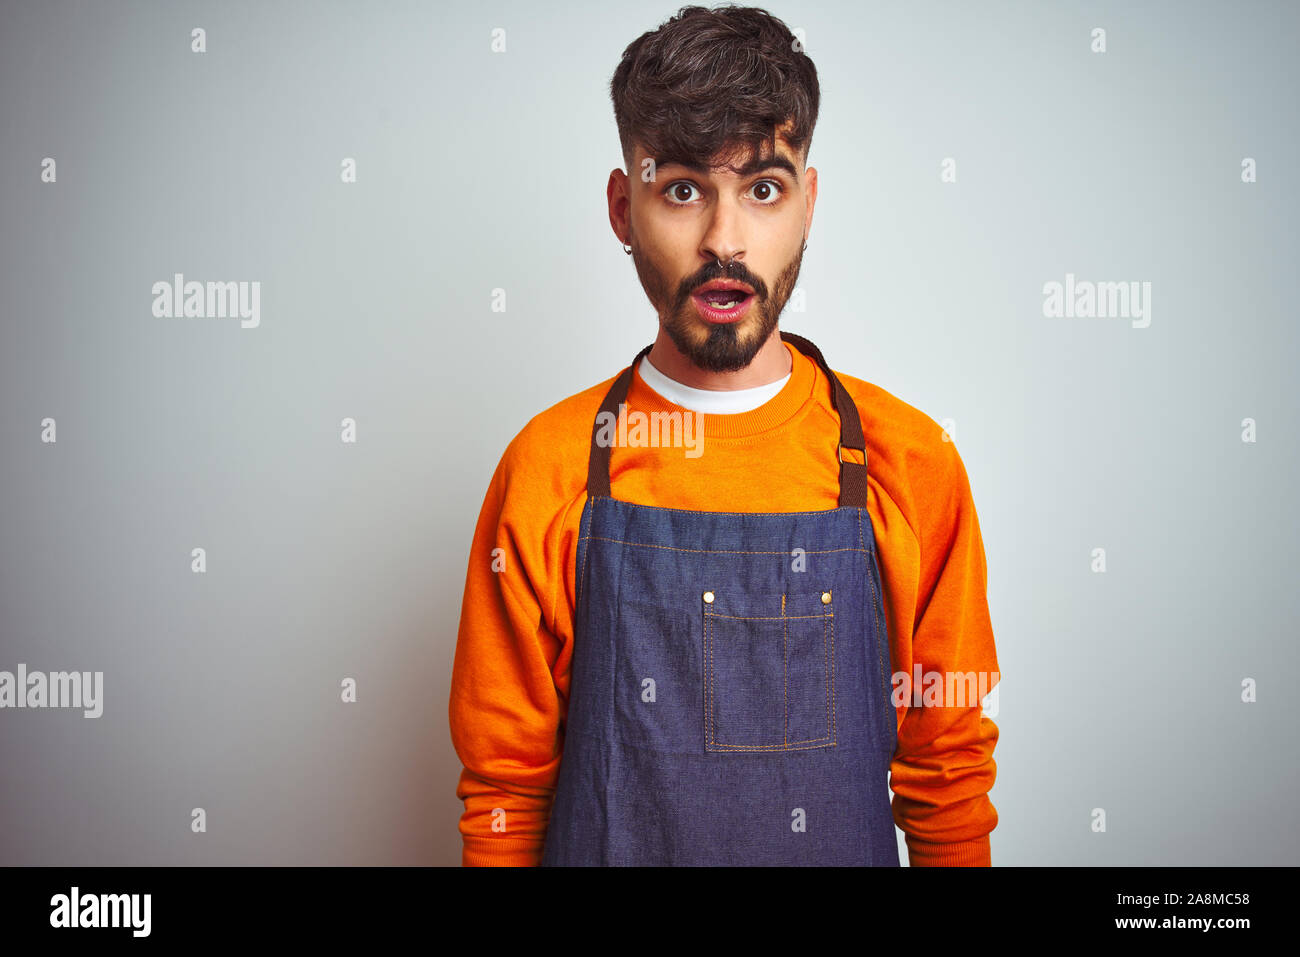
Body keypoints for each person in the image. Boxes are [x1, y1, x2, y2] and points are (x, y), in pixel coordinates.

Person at [449, 3, 1000, 866]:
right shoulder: (547, 469)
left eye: (763, 189)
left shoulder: (911, 462)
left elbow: (950, 777)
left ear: (808, 204)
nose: (724, 240)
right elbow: (506, 793)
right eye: (681, 189)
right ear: (623, 207)